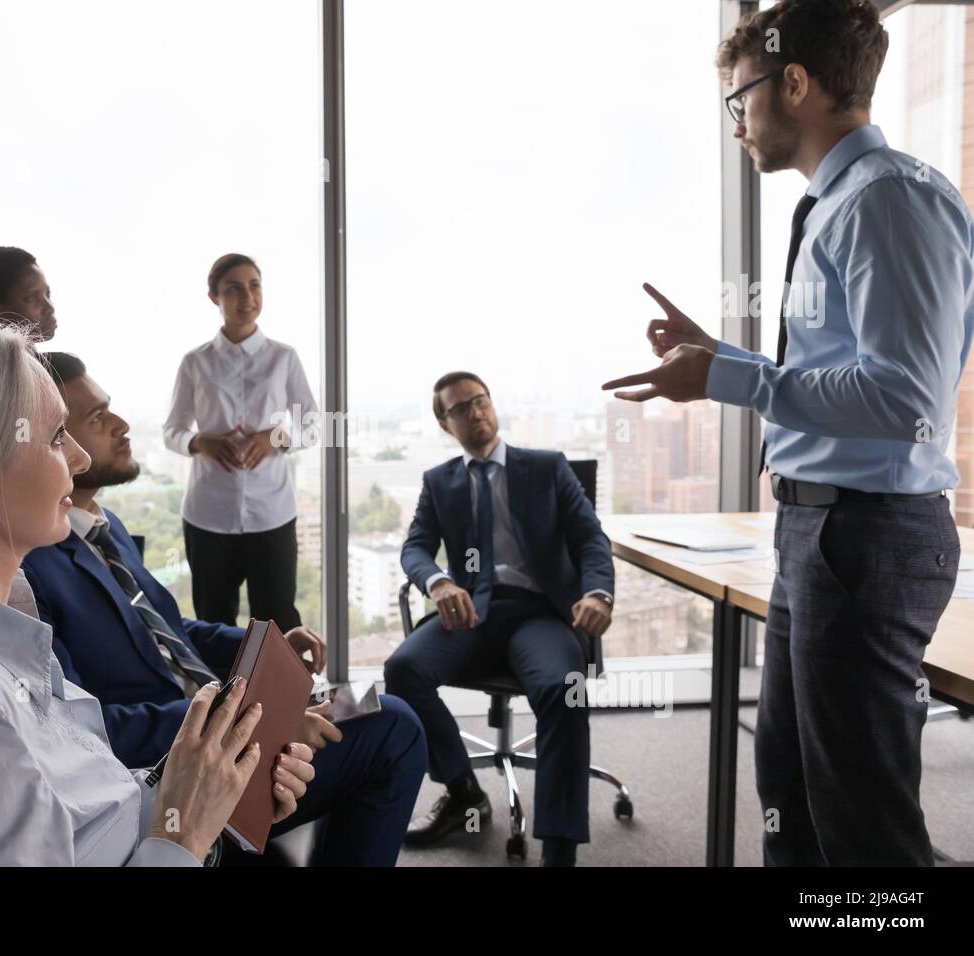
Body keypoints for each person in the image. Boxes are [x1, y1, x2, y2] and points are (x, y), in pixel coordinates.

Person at [602, 0, 973, 865]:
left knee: (863, 827)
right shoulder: (842, 203)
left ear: (795, 83)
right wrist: (719, 358)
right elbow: (849, 372)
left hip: (865, 535)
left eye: (741, 99)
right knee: (795, 796)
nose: (738, 122)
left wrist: (733, 378)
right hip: (819, 532)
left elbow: (906, 397)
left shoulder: (886, 200)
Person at [0, 322, 312, 865]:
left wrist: (198, 791)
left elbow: (86, 818)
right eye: (55, 437)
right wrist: (184, 835)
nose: (77, 457)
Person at [23, 351, 427, 866]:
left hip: (220, 715)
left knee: (364, 699)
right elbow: (86, 728)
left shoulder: (105, 527)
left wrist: (264, 645)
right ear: (54, 444)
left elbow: (167, 628)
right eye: (97, 419)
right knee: (393, 726)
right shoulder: (33, 571)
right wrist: (245, 726)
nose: (123, 426)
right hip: (181, 764)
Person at [384, 371, 615, 867]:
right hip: (472, 613)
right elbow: (416, 547)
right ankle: (464, 791)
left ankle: (559, 850)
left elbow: (591, 539)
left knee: (564, 688)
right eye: (461, 408)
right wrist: (439, 582)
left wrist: (597, 592)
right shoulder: (439, 482)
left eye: (481, 401)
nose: (476, 412)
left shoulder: (547, 468)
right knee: (402, 670)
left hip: (540, 615)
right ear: (444, 422)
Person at [163, 253, 317, 629]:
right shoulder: (195, 362)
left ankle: (279, 691)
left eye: (254, 286)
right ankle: (222, 691)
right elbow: (172, 430)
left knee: (278, 620)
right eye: (234, 288)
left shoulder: (284, 358)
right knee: (214, 621)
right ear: (214, 297)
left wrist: (276, 437)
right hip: (208, 515)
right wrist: (200, 442)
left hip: (272, 513)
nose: (247, 297)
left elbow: (316, 425)